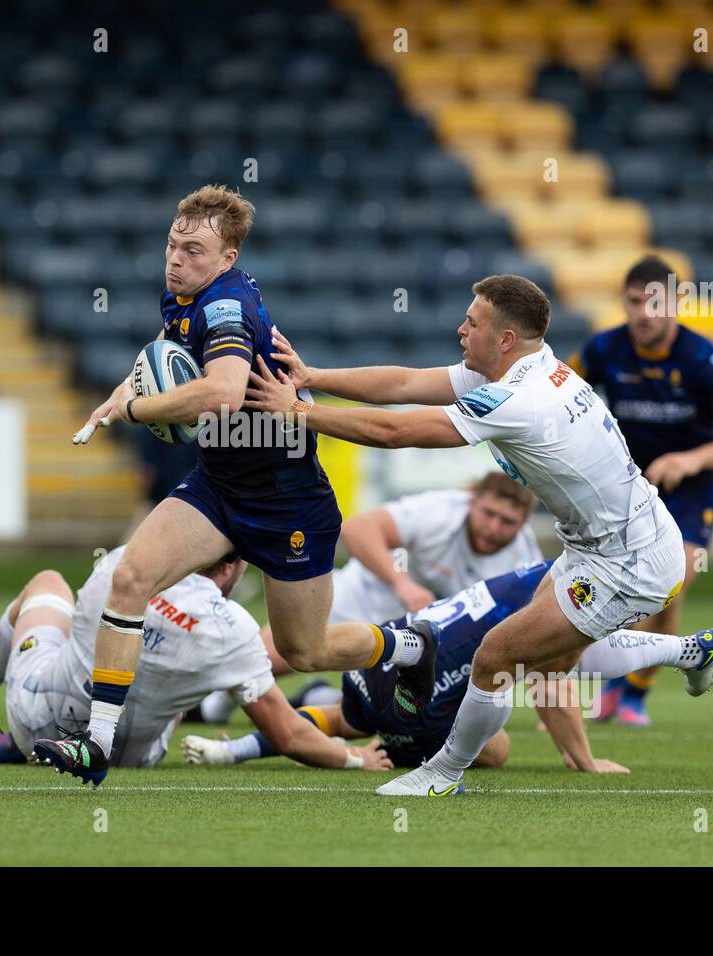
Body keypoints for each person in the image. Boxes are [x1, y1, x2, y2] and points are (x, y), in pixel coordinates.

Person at [245, 273, 713, 796]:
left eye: (472, 322)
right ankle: (688, 651)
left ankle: (443, 774)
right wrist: (312, 376)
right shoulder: (521, 369)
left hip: (629, 560)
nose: (460, 329)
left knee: (496, 657)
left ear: (504, 339)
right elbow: (406, 385)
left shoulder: (520, 400)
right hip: (606, 544)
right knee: (555, 664)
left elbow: (398, 430)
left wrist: (298, 411)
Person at [40, 185, 437, 785]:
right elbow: (163, 360)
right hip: (219, 486)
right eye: (173, 245)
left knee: (303, 651)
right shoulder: (183, 294)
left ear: (227, 258)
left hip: (286, 501)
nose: (176, 259)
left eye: (194, 250)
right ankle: (96, 743)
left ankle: (412, 650)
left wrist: (141, 411)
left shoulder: (225, 306)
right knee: (129, 580)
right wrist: (124, 393)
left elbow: (223, 395)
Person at [184, 560, 713, 780]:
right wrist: (580, 759)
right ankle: (683, 653)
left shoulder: (522, 577)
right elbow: (552, 681)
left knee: (346, 716)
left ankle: (683, 653)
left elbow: (553, 676)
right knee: (499, 746)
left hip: (386, 659)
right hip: (415, 684)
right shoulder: (556, 583)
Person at [0, 548, 391, 774]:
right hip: (136, 757)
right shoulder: (232, 628)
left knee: (49, 584)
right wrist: (355, 760)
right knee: (187, 670)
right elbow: (290, 736)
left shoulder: (124, 562)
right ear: (233, 566)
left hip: (36, 717)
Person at [191, 472, 540, 724]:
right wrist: (403, 584)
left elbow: (535, 632)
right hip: (363, 597)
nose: (494, 528)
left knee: (398, 718)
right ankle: (210, 708)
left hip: (433, 637)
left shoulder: (526, 558)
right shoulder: (440, 510)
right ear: (472, 502)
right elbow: (359, 528)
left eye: (507, 522)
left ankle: (320, 702)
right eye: (489, 514)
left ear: (525, 522)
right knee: (264, 659)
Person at [572, 255, 713, 725]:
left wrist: (689, 460)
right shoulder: (602, 350)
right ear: (625, 303)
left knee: (672, 585)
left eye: (656, 303)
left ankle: (631, 689)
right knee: (622, 591)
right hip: (626, 489)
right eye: (636, 302)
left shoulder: (706, 358)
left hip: (691, 492)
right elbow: (560, 399)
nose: (645, 313)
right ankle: (622, 682)